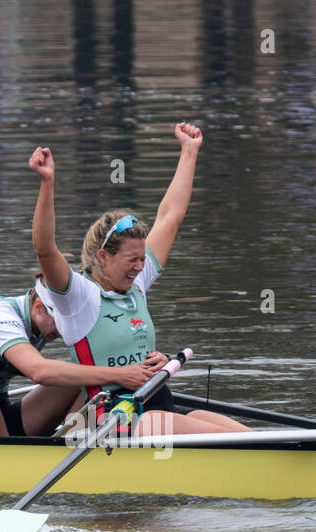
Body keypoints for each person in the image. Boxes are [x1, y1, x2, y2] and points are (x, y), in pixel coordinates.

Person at [28, 125, 250, 436]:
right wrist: (47, 182)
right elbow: (45, 249)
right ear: (103, 257)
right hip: (112, 420)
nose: (139, 267)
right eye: (131, 260)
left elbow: (170, 215)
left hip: (159, 404)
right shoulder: (77, 297)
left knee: (247, 435)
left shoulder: (137, 283)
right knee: (161, 425)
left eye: (142, 258)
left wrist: (189, 151)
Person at [0, 280, 160, 436]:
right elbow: (38, 371)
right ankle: (7, 457)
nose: (63, 332)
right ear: (39, 306)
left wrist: (150, 362)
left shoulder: (41, 319)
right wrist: (121, 374)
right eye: (60, 323)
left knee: (83, 373)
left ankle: (73, 444)